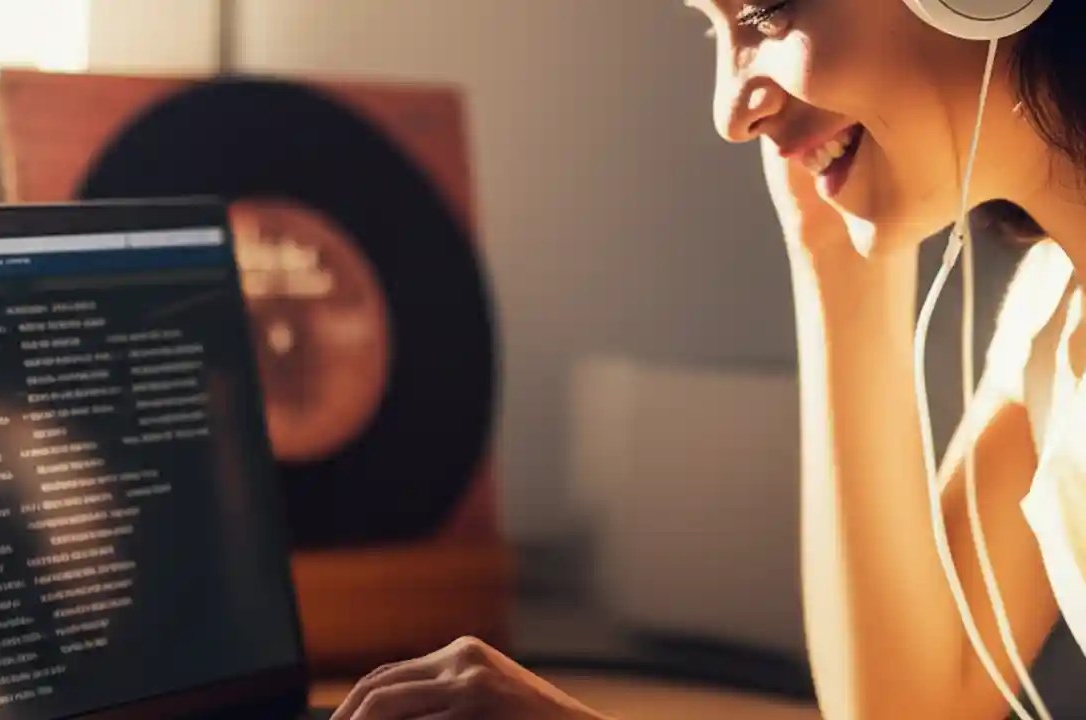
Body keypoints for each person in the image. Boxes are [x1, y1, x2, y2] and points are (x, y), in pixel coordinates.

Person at [329, 0, 1086, 718]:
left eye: (765, 12)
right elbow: (912, 706)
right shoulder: (1048, 305)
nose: (730, 114)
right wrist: (831, 261)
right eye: (712, 30)